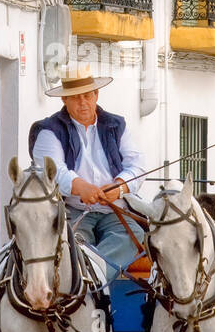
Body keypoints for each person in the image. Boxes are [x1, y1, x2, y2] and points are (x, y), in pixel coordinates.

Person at [28, 64, 146, 279]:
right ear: (64, 100)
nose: (83, 103)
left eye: (87, 96)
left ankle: (91, 278)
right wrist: (81, 187)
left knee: (133, 235)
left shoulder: (117, 125)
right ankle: (88, 278)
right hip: (72, 210)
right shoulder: (48, 131)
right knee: (70, 243)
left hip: (114, 209)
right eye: (75, 97)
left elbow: (137, 165)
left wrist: (119, 186)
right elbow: (53, 171)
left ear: (96, 95)